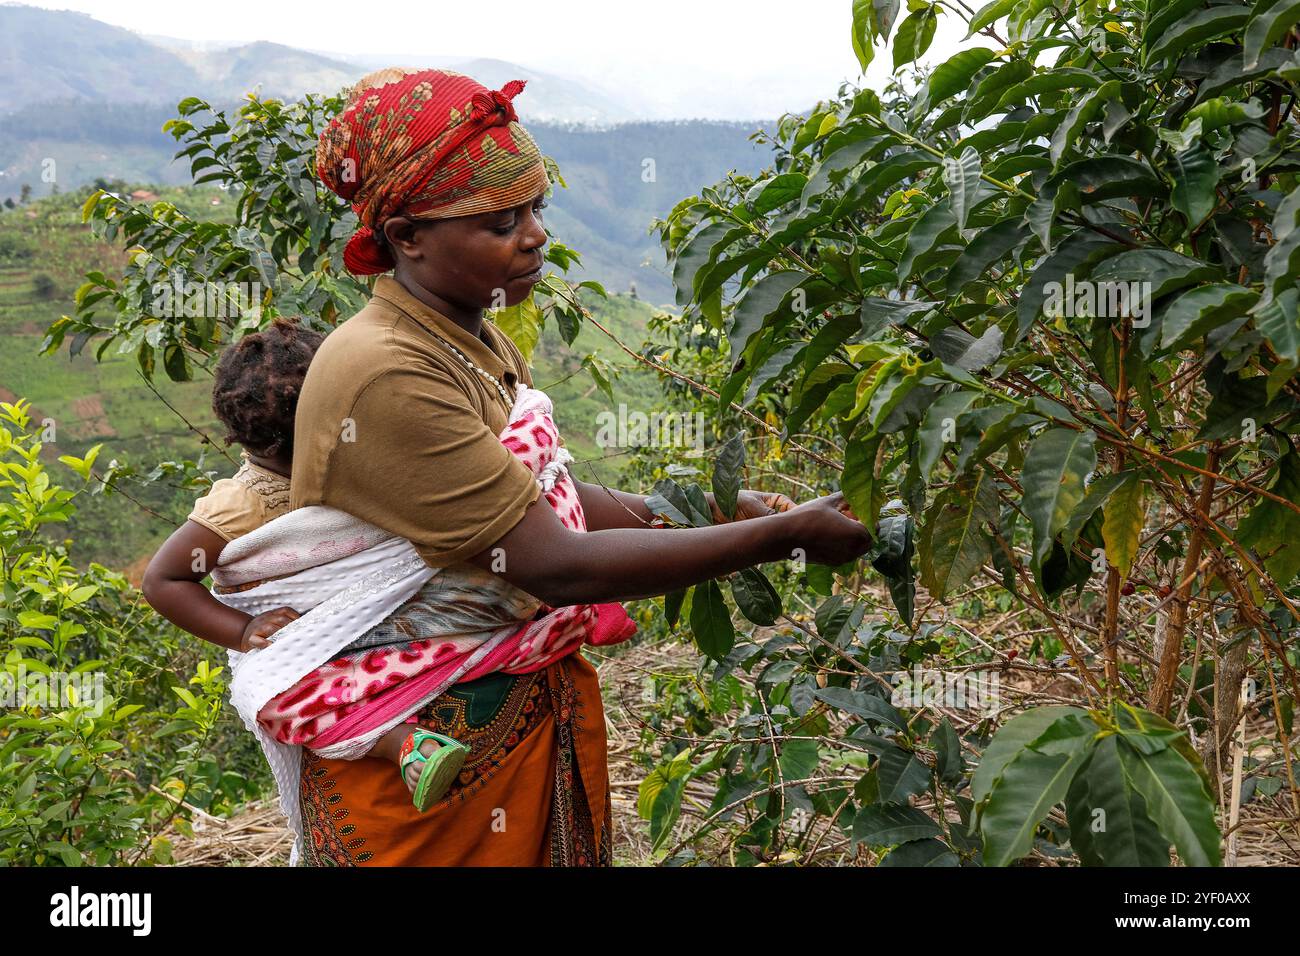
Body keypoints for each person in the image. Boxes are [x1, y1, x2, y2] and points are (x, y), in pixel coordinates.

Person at [267, 66, 872, 865]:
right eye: (498, 221)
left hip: (500, 724)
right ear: (407, 236)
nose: (534, 235)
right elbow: (554, 563)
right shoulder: (388, 370)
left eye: (536, 209)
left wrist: (703, 509)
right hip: (433, 753)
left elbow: (541, 497)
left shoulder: (467, 333)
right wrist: (785, 536)